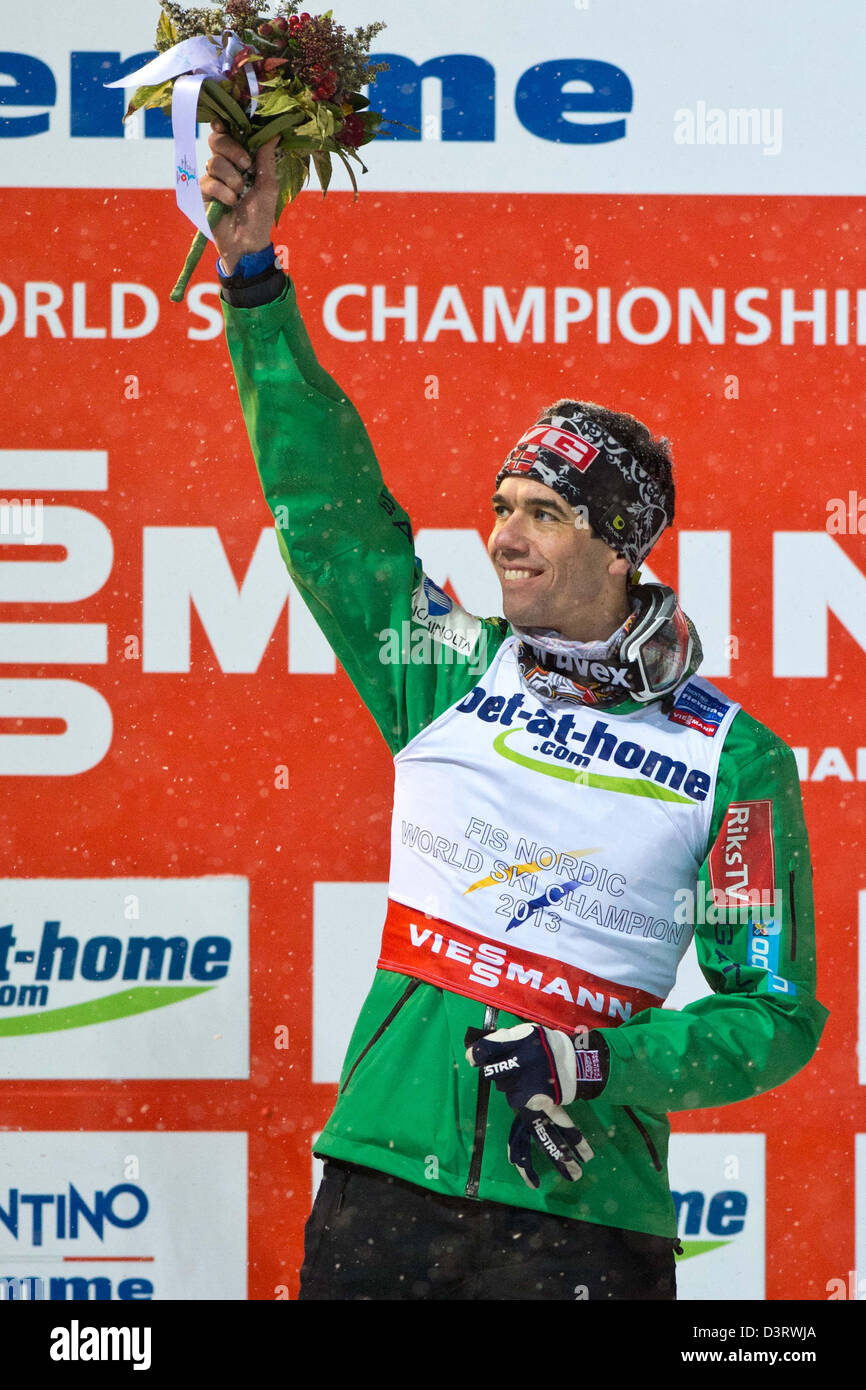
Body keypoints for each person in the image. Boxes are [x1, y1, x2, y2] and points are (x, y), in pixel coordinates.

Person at [203, 125, 829, 1301]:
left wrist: (597, 1058)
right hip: (385, 1182)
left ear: (616, 538)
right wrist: (253, 283)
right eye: (499, 503)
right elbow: (333, 514)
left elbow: (770, 1016)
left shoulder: (730, 758)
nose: (499, 535)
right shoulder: (443, 665)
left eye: (540, 510)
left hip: (583, 1213)